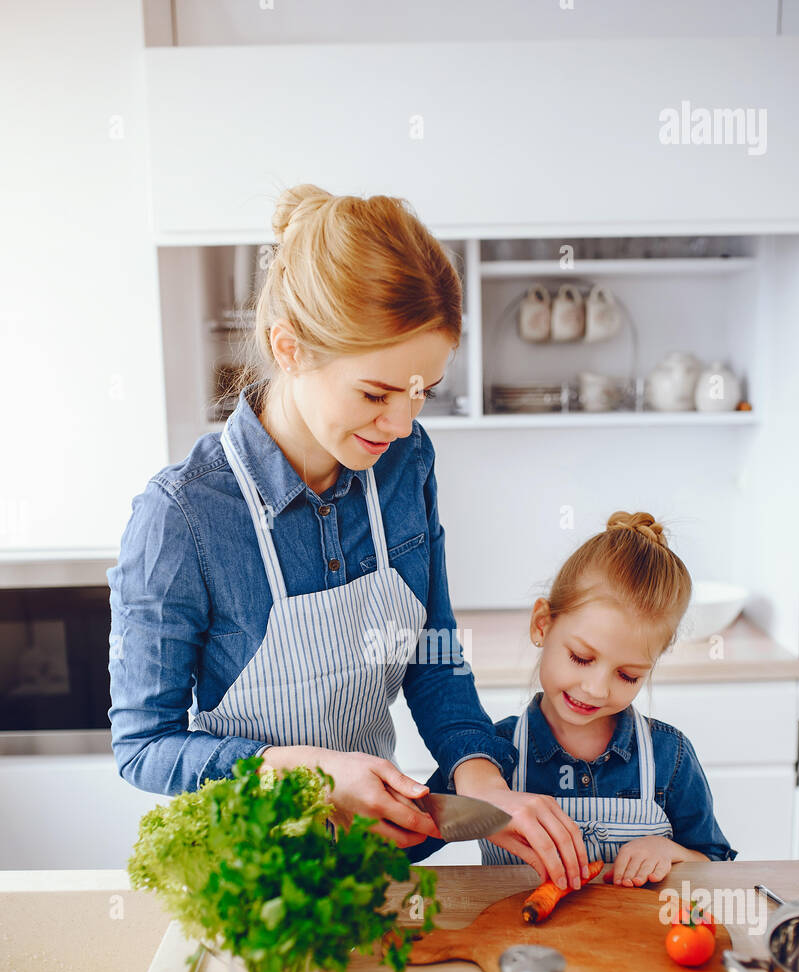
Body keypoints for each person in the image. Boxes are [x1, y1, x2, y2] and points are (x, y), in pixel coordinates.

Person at [107, 183, 591, 889]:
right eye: (375, 393)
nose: (400, 422)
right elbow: (144, 747)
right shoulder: (181, 517)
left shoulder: (405, 463)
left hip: (378, 871)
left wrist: (482, 781)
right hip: (251, 893)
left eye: (421, 389)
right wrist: (309, 773)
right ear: (289, 348)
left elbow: (432, 659)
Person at [407, 511, 738, 885]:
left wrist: (672, 853)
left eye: (628, 675)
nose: (597, 689)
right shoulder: (488, 758)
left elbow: (716, 865)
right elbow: (402, 844)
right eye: (582, 657)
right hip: (514, 943)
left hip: (630, 944)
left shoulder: (670, 758)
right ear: (542, 625)